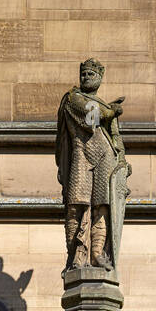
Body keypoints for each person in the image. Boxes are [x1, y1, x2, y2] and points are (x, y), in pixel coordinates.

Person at [55, 58, 131, 270]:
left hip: (106, 157)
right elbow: (91, 117)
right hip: (81, 156)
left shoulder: (106, 105)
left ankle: (98, 253)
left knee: (102, 207)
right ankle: (75, 257)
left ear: (100, 76)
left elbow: (116, 137)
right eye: (84, 74)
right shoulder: (72, 99)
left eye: (91, 74)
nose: (86, 78)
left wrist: (122, 162)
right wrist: (111, 111)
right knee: (75, 207)